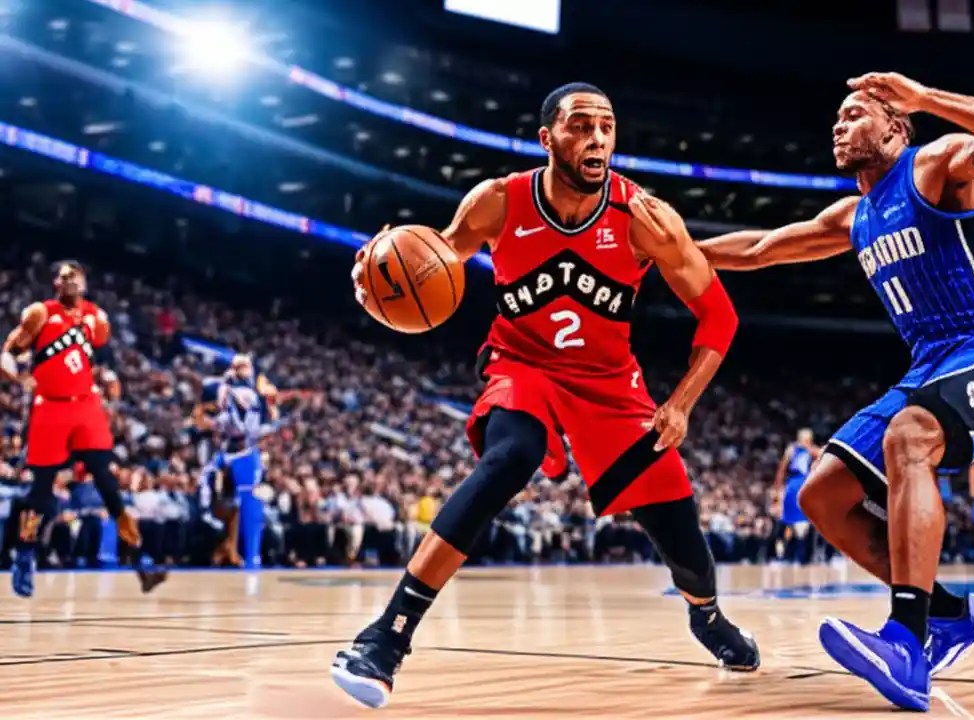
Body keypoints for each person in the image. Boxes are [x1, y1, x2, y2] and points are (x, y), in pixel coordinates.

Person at [331, 82, 758, 710]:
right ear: (548, 138)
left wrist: (682, 403)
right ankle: (386, 639)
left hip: (612, 387)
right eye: (581, 125)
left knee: (684, 542)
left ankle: (708, 615)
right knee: (511, 456)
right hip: (522, 365)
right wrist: (379, 271)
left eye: (607, 126)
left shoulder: (647, 219)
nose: (598, 139)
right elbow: (436, 263)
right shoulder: (499, 203)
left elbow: (719, 318)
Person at [698, 72, 974, 710]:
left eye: (855, 113)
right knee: (822, 494)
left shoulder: (936, 165)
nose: (838, 125)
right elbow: (759, 249)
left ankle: (906, 643)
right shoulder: (854, 214)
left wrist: (930, 99)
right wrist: (668, 255)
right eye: (836, 117)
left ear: (894, 126)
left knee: (909, 434)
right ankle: (949, 613)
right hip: (927, 367)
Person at [0, 260, 168, 597]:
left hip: (85, 406)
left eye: (73, 276)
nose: (68, 281)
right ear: (55, 284)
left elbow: (88, 356)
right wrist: (20, 377)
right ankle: (24, 554)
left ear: (84, 283)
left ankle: (139, 560)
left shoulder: (96, 317)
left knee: (107, 481)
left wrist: (105, 380)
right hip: (50, 406)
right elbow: (8, 351)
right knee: (41, 488)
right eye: (62, 277)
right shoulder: (41, 313)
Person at [195, 354, 276, 568]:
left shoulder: (234, 390)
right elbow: (229, 422)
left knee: (245, 502)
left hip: (236, 452)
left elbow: (220, 413)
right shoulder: (241, 392)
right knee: (228, 496)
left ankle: (246, 555)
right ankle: (235, 551)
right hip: (233, 451)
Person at [774, 428, 818, 562]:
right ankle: (783, 550)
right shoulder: (792, 449)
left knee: (805, 523)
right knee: (789, 520)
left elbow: (820, 454)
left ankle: (803, 555)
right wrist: (777, 487)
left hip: (806, 483)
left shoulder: (812, 450)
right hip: (793, 484)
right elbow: (782, 468)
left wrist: (809, 449)